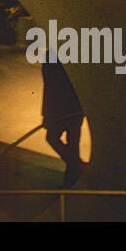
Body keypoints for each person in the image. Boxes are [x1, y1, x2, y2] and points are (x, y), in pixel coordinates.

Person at [41, 59, 85, 187]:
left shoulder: (52, 59)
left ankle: (75, 169)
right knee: (73, 144)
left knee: (53, 138)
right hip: (75, 107)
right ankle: (74, 173)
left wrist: (46, 114)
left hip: (61, 110)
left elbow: (50, 89)